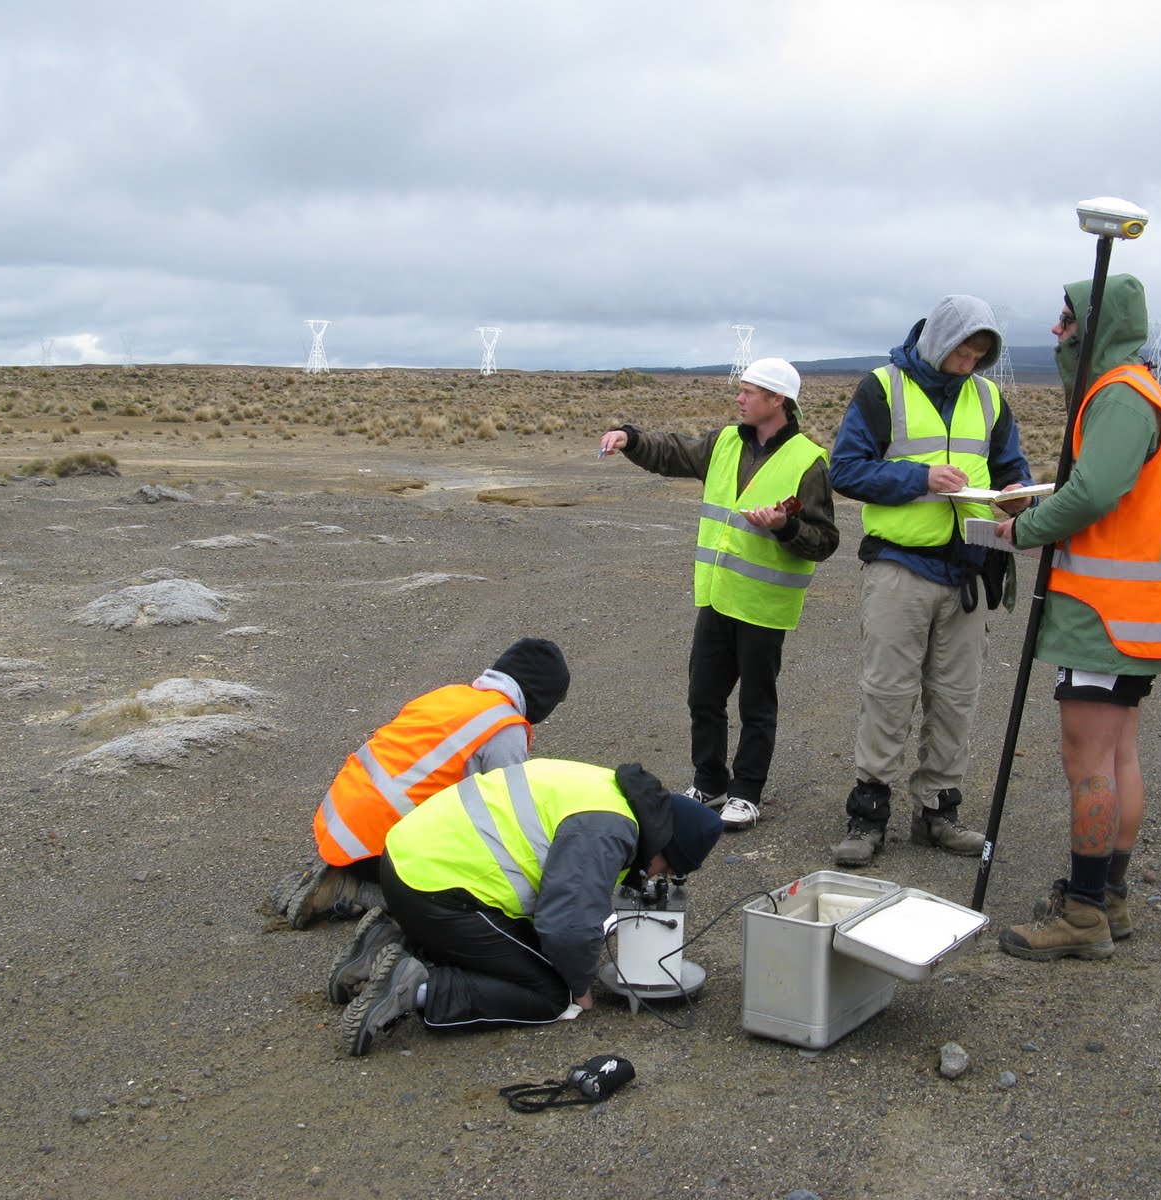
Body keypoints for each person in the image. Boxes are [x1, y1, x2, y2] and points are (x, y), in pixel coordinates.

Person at [991, 274, 1161, 961]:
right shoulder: (1135, 391)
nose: (1055, 330)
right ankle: (1109, 897)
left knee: (1090, 761)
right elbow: (1102, 491)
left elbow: (1097, 491)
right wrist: (1040, 503)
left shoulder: (1120, 396)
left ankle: (1082, 912)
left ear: (1097, 325)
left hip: (1103, 615)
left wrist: (1028, 528)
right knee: (1119, 754)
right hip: (1130, 615)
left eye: (1067, 319)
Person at [828, 296, 1034, 867]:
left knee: (956, 696)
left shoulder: (990, 398)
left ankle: (939, 812)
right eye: (960, 351)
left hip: (969, 566)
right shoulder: (882, 388)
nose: (967, 364)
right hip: (899, 567)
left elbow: (1011, 465)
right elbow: (846, 469)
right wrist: (921, 479)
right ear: (937, 341)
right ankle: (868, 814)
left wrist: (1017, 492)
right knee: (888, 692)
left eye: (978, 355)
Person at [334, 758, 723, 1055]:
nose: (656, 877)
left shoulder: (607, 789)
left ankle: (397, 938)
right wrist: (577, 986)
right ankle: (417, 987)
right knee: (547, 995)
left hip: (405, 860)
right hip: (438, 890)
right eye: (667, 868)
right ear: (665, 845)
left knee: (529, 953)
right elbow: (566, 925)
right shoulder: (609, 829)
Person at [596, 359, 838, 831]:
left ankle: (746, 793)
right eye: (741, 391)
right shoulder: (725, 442)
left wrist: (786, 526)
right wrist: (630, 437)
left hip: (764, 607)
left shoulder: (808, 460)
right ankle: (710, 782)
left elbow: (825, 540)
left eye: (749, 392)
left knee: (756, 705)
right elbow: (673, 452)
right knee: (703, 697)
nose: (739, 398)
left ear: (777, 401)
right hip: (718, 597)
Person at [270, 637, 570, 928]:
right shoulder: (504, 727)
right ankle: (352, 890)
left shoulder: (450, 696)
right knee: (470, 897)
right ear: (540, 697)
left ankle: (344, 870)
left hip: (340, 825)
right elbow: (513, 817)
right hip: (381, 849)